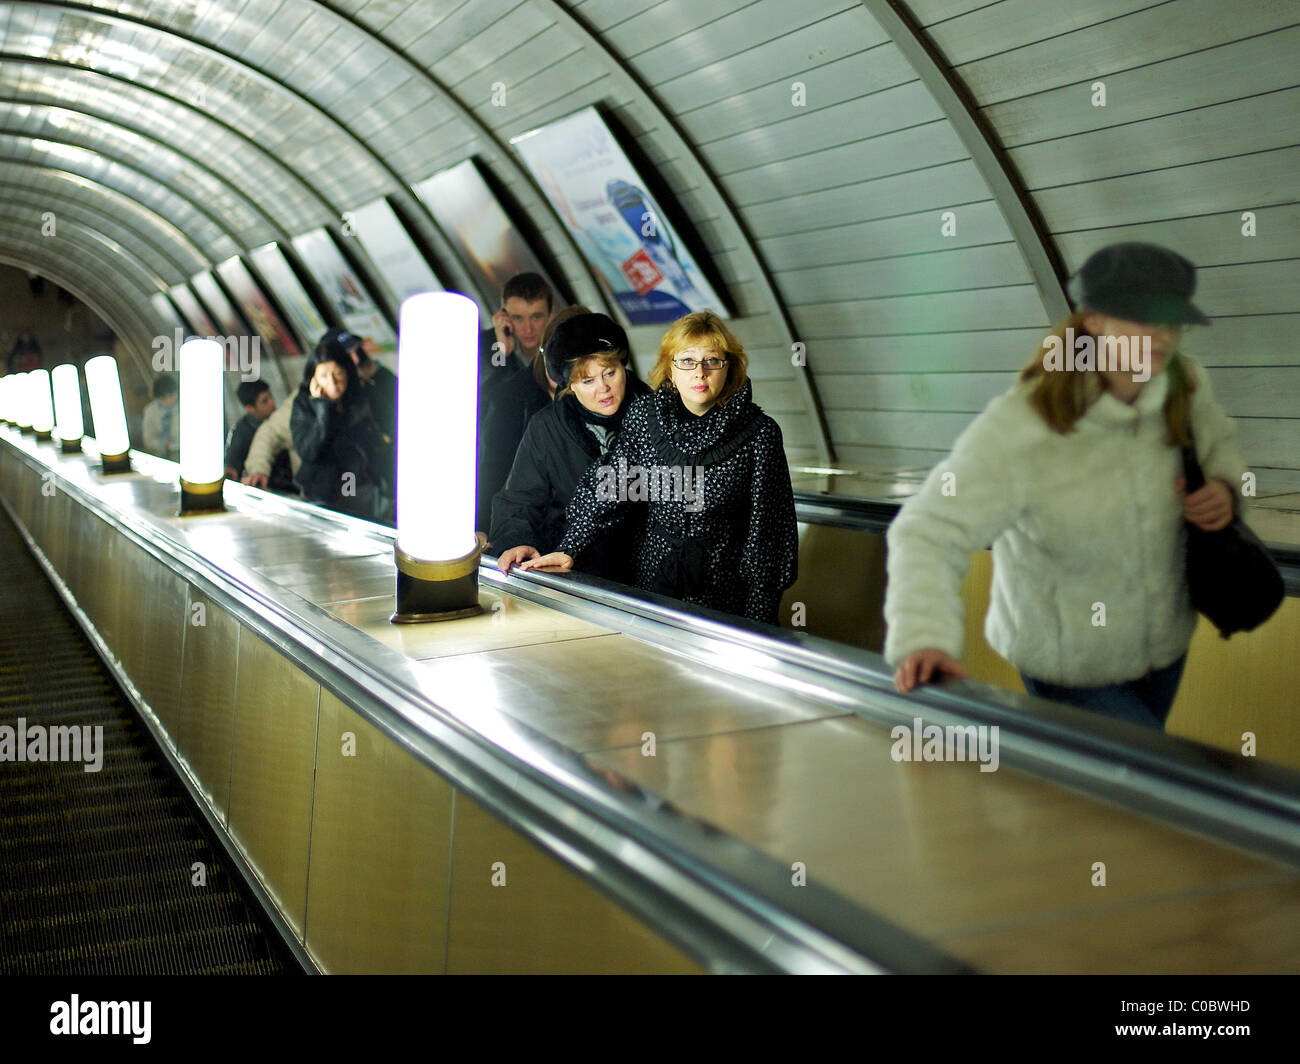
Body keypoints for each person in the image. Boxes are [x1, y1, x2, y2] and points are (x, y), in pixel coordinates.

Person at [884, 243, 1247, 730]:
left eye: (1174, 322)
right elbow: (927, 528)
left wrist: (1223, 488)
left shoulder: (1185, 385)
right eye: (1145, 319)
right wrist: (923, 637)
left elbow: (1220, 444)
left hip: (1163, 647)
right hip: (1068, 662)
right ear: (1094, 321)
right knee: (1137, 780)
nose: (1163, 337)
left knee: (1117, 794)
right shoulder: (1023, 425)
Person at [521, 310, 799, 626]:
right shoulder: (645, 418)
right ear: (671, 368)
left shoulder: (759, 433)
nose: (700, 374)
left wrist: (759, 623)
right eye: (687, 361)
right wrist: (570, 548)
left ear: (729, 366)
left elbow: (770, 536)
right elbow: (610, 489)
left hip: (725, 601)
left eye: (712, 361)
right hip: (652, 591)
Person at [492, 312, 650, 581]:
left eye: (610, 372)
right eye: (588, 381)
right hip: (574, 571)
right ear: (570, 385)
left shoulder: (656, 416)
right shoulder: (547, 427)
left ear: (624, 367)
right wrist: (516, 541)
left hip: (648, 576)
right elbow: (519, 499)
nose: (604, 388)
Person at [476, 273, 554, 530]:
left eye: (536, 317)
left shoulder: (559, 353)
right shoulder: (486, 348)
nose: (528, 328)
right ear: (504, 317)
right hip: (497, 464)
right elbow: (485, 405)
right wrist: (502, 353)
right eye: (518, 318)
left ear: (550, 315)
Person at [290, 347, 394, 523]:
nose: (332, 382)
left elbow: (390, 431)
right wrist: (323, 407)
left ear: (347, 372)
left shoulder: (363, 396)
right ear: (313, 379)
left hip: (363, 485)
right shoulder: (304, 404)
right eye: (324, 376)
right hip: (323, 492)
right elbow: (309, 451)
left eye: (338, 373)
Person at [241, 399, 301, 494]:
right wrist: (258, 469)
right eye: (264, 401)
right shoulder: (304, 397)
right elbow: (269, 432)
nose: (272, 402)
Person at [224, 380, 280, 481]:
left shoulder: (280, 420)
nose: (272, 403)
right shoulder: (241, 433)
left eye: (271, 397)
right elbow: (232, 465)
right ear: (250, 408)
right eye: (264, 401)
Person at [141, 376, 180, 460]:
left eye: (171, 395)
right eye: (163, 398)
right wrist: (163, 444)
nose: (168, 400)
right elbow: (148, 440)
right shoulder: (150, 411)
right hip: (159, 455)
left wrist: (175, 445)